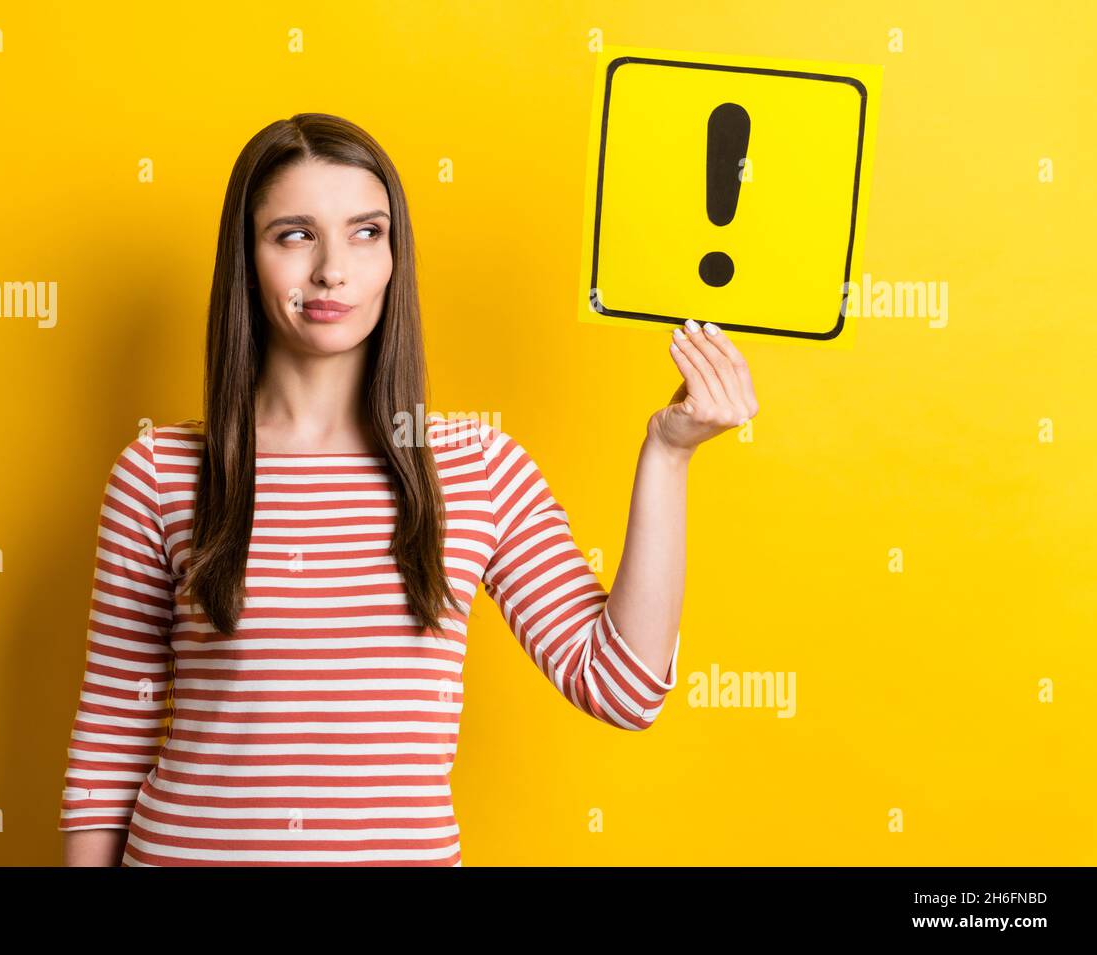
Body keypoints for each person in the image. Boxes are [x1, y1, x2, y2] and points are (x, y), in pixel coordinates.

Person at [58, 113, 759, 866]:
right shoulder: (160, 471)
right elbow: (110, 740)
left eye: (366, 233)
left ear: (395, 257)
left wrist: (669, 453)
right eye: (294, 234)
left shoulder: (474, 467)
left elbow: (622, 688)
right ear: (246, 258)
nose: (333, 269)